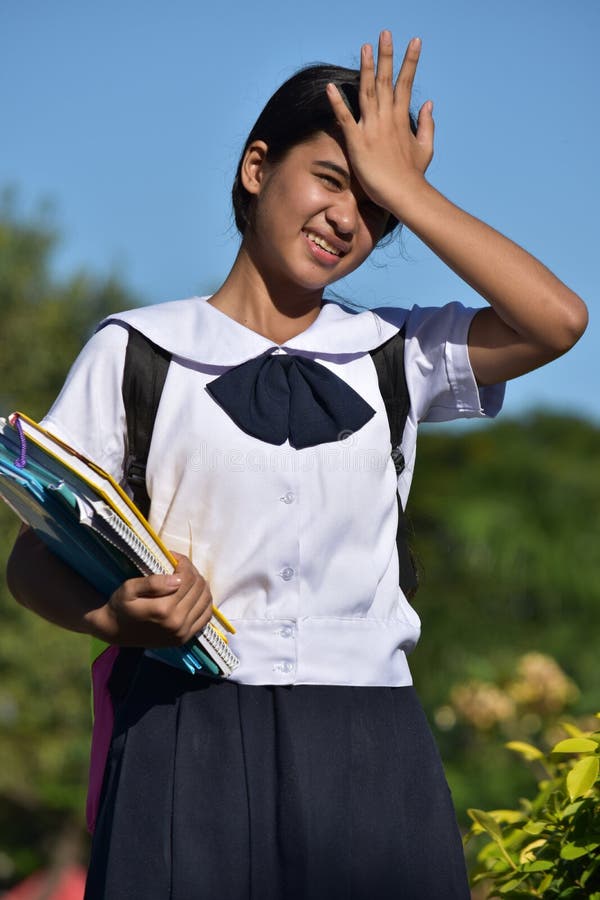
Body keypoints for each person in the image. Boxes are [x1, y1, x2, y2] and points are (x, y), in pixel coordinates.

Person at [7, 31, 587, 900]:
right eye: (331, 179)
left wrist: (409, 190)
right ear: (255, 168)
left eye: (373, 208)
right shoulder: (136, 351)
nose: (349, 219)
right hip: (179, 736)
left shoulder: (393, 351)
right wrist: (113, 617)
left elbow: (558, 321)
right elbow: (30, 558)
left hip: (371, 744)